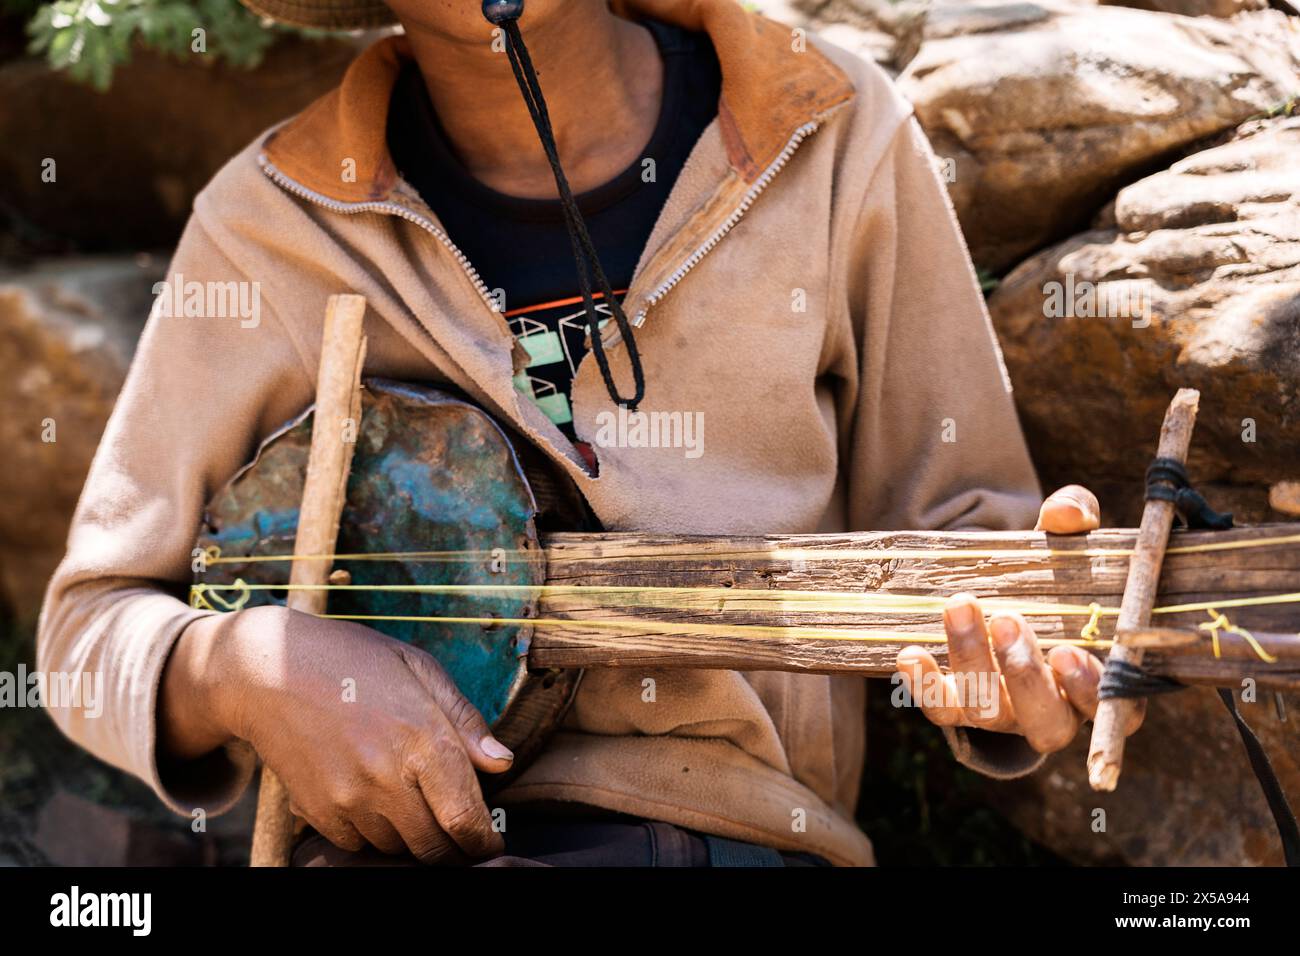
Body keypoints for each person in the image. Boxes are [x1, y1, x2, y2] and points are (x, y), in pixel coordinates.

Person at [37, 0, 1137, 867]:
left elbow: (970, 538)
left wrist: (1011, 686)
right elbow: (86, 630)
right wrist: (244, 667)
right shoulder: (272, 223)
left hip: (734, 834)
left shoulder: (828, 128)